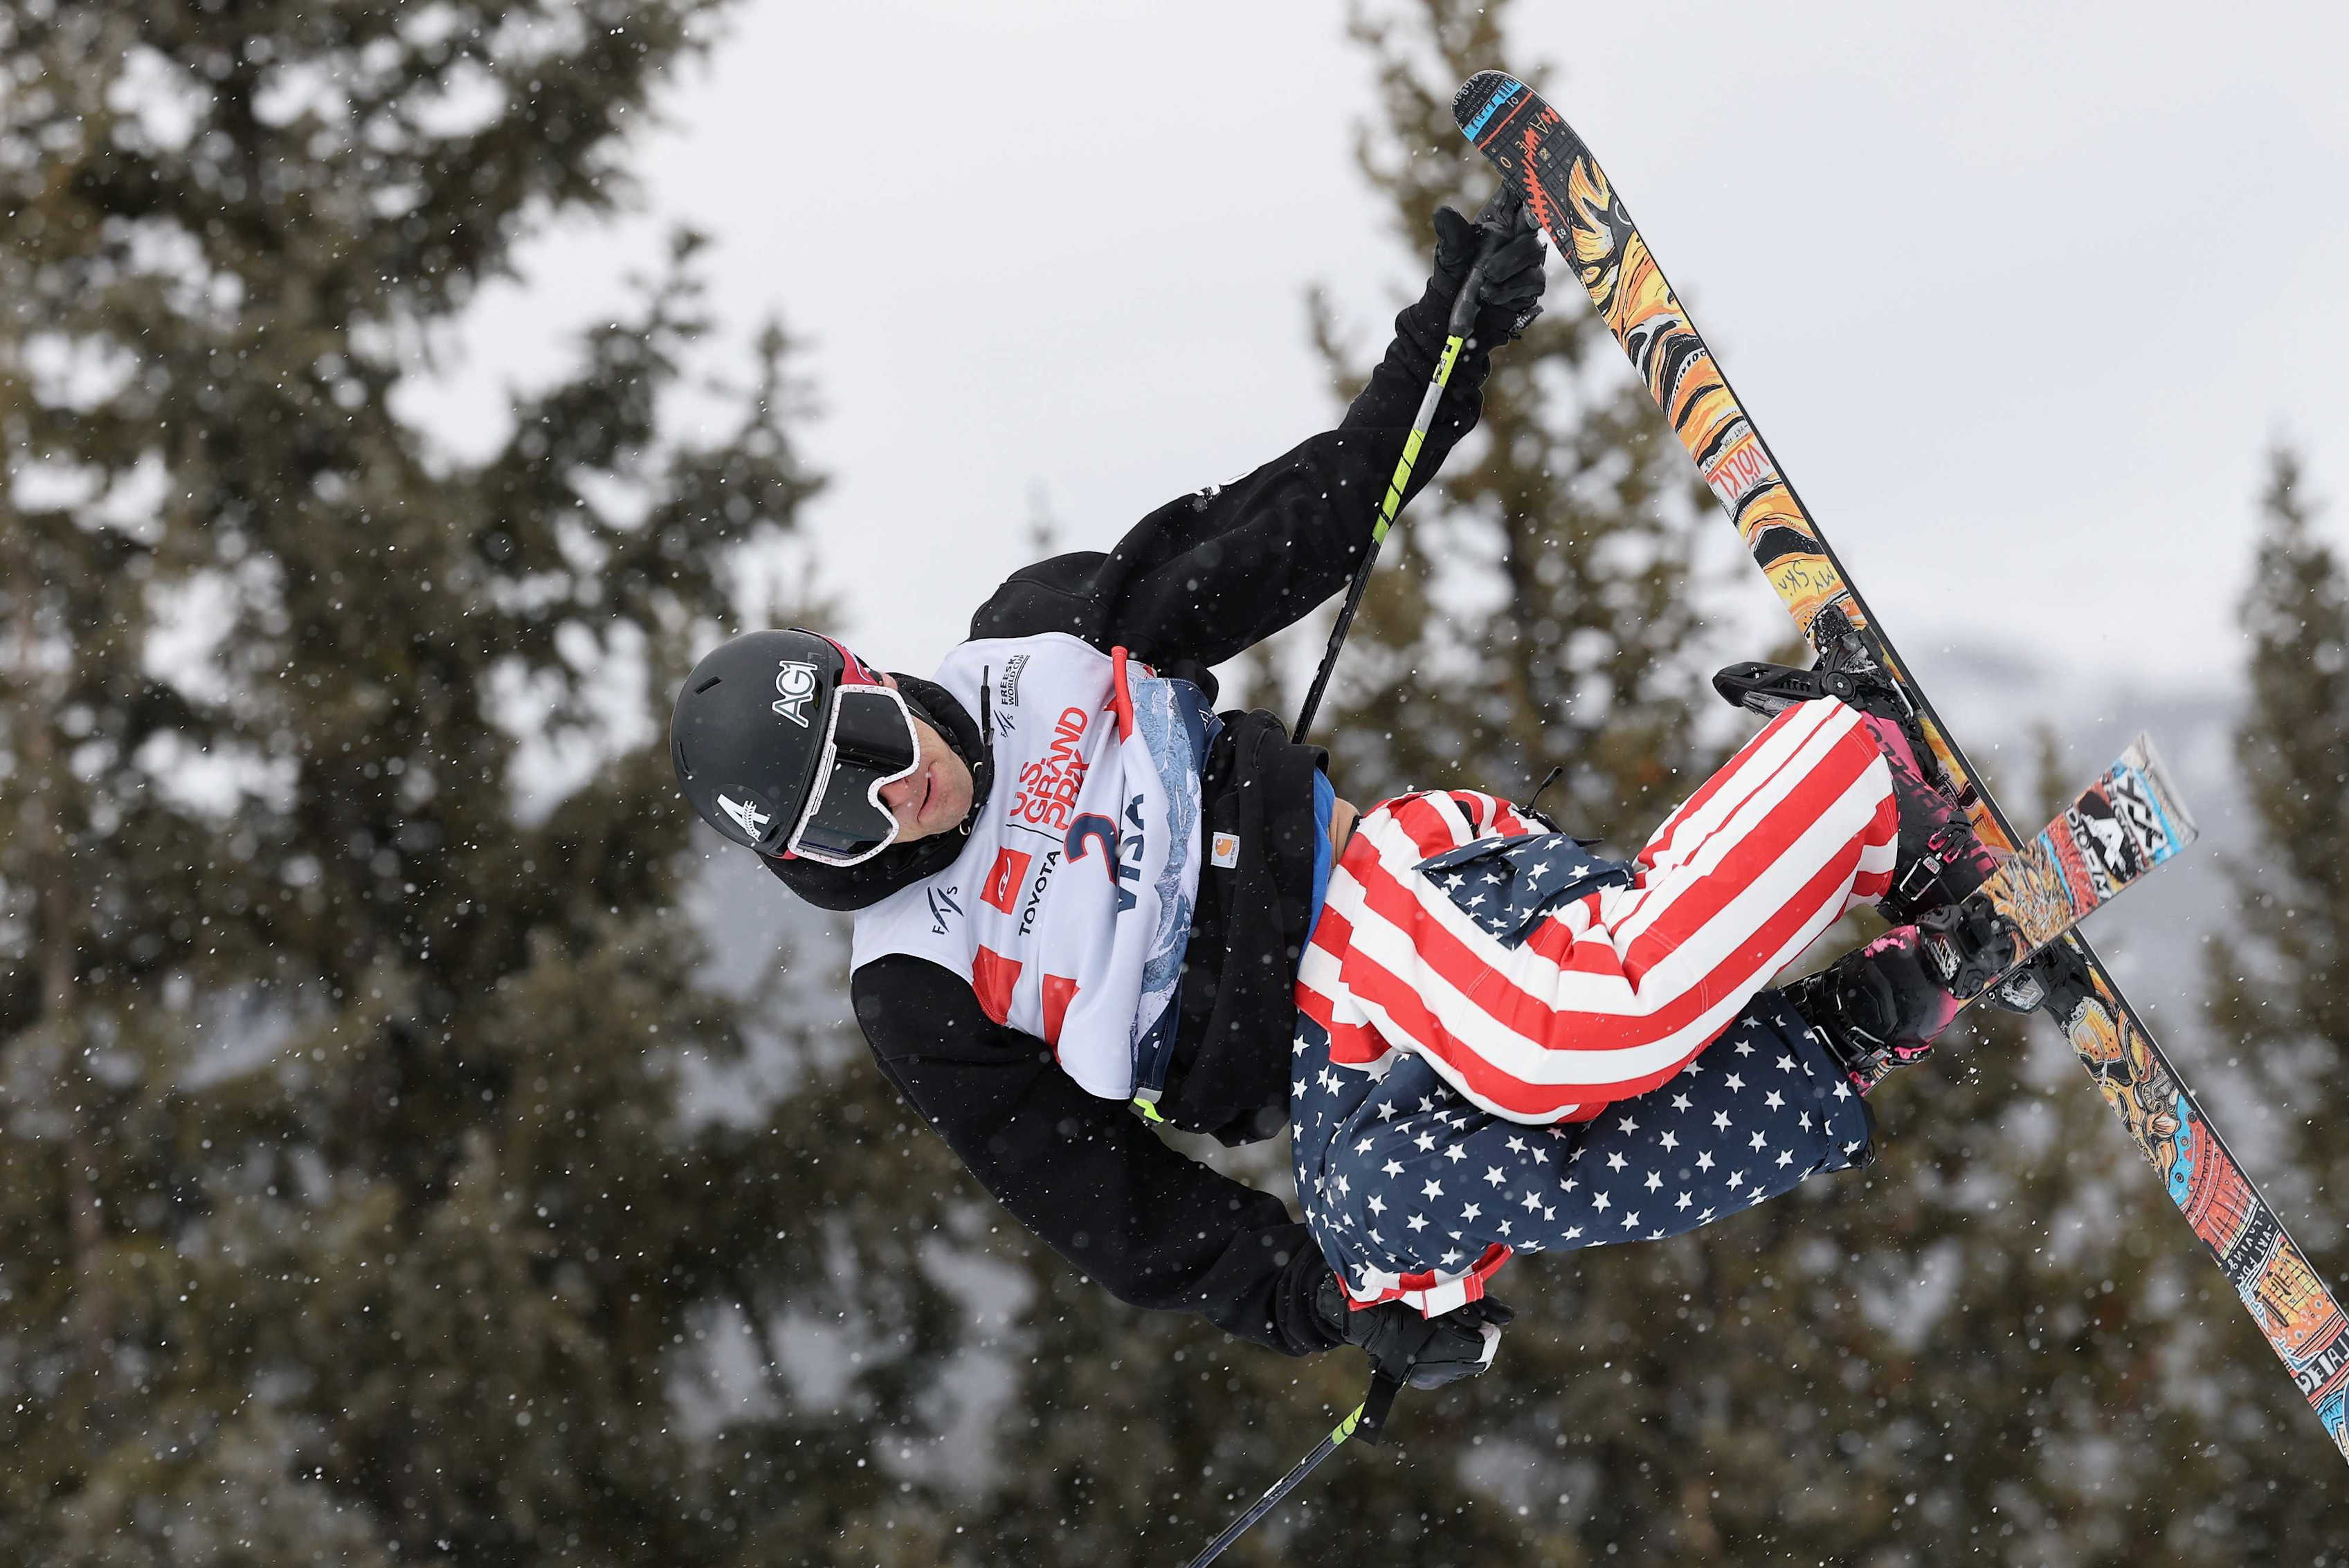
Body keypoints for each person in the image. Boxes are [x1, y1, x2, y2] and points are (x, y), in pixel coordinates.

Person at [669, 210, 2015, 1404]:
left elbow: (1296, 526)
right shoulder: (917, 987)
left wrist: (1446, 342)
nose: (898, 789)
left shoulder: (1043, 642)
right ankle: (1851, 1027)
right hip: (1321, 1090)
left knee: (1550, 1043)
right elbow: (1108, 1205)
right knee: (1404, 1242)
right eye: (850, 821)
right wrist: (1331, 1304)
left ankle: (1854, 774)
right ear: (812, 862)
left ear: (861, 673)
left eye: (864, 736)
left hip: (1369, 900)